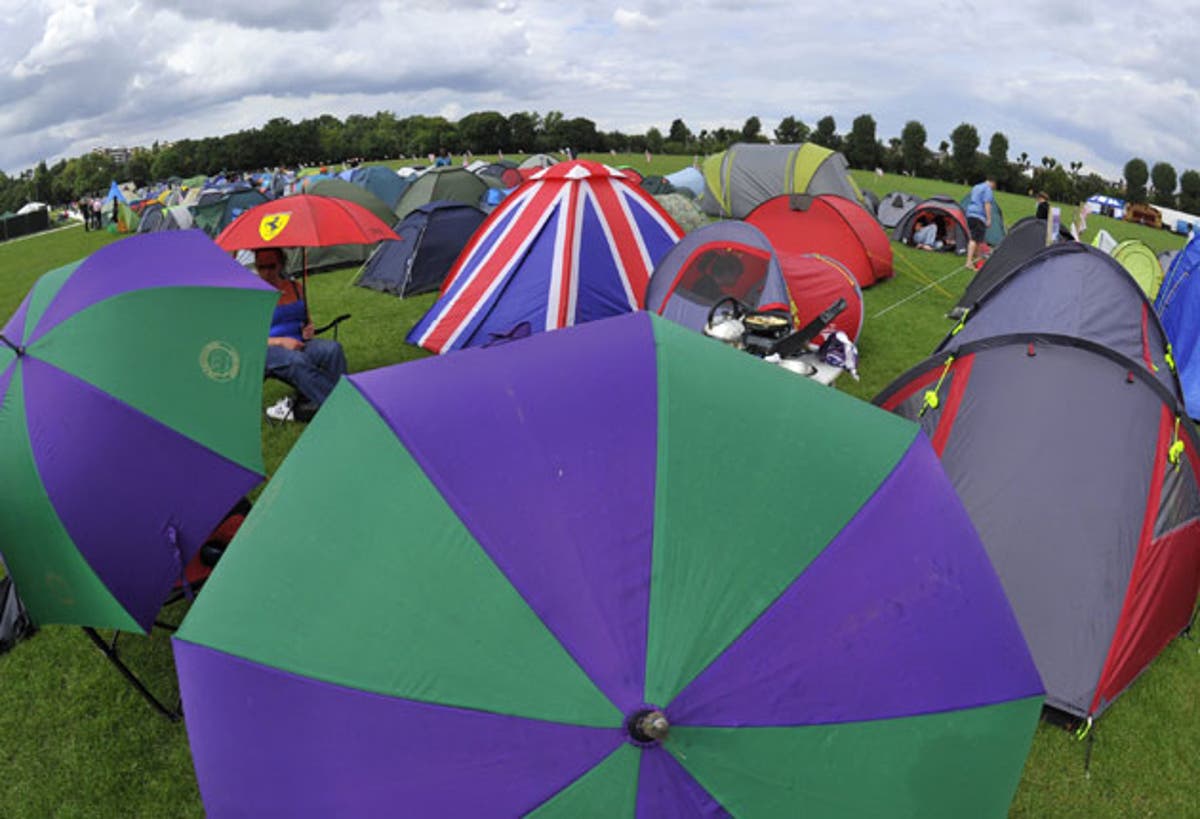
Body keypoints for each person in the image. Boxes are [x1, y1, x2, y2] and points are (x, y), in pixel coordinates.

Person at [255, 247, 348, 422]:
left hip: (300, 343)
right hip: (267, 350)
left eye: (271, 266)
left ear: (281, 265)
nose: (266, 273)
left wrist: (309, 328)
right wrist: (281, 341)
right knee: (296, 361)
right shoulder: (252, 295)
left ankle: (319, 400)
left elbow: (307, 319)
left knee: (333, 350)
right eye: (261, 268)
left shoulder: (295, 287)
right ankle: (342, 405)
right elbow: (248, 337)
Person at [965, 177, 997, 268]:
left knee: (979, 240)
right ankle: (969, 262)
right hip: (979, 216)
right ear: (993, 183)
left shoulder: (976, 187)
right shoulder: (988, 189)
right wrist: (989, 219)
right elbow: (987, 204)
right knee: (974, 239)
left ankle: (978, 261)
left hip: (970, 214)